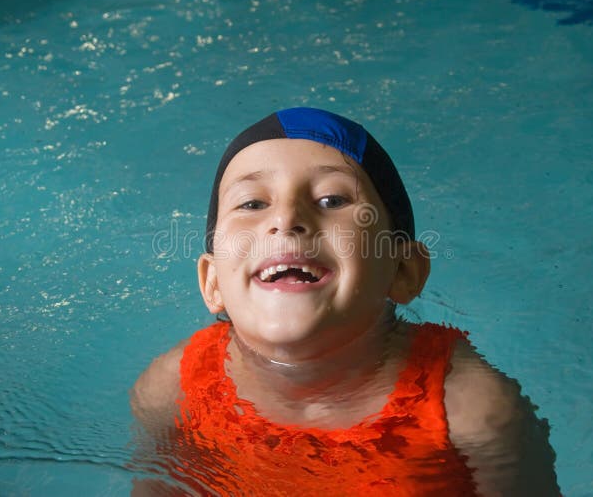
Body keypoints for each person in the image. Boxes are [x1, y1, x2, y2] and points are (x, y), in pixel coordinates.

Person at [131, 107, 560, 496]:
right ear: (213, 284)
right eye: (252, 203)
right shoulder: (171, 392)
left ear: (403, 270)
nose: (285, 219)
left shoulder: (470, 410)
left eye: (332, 200)